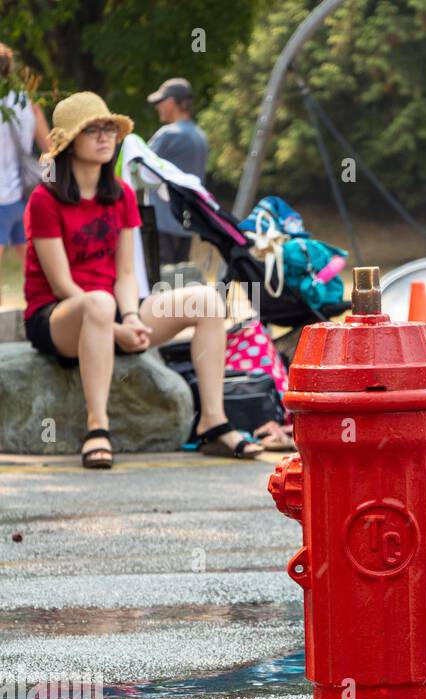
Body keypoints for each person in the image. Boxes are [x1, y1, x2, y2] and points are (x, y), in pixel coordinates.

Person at [24, 92, 261, 468]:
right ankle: (97, 428)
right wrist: (118, 329)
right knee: (98, 303)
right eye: (93, 131)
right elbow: (61, 285)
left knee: (208, 300)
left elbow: (127, 273)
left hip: (113, 310)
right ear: (69, 142)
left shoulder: (120, 196)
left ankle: (213, 423)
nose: (105, 137)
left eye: (109, 129)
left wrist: (131, 317)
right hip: (57, 317)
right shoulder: (45, 200)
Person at [0, 43, 51, 304]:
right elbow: (48, 147)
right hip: (25, 192)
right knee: (32, 263)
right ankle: (40, 308)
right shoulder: (27, 101)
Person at [145, 78, 208, 266]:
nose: (158, 108)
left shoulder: (168, 134)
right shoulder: (200, 136)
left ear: (171, 102)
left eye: (160, 103)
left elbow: (137, 166)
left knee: (159, 280)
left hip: (162, 222)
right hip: (188, 223)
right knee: (180, 279)